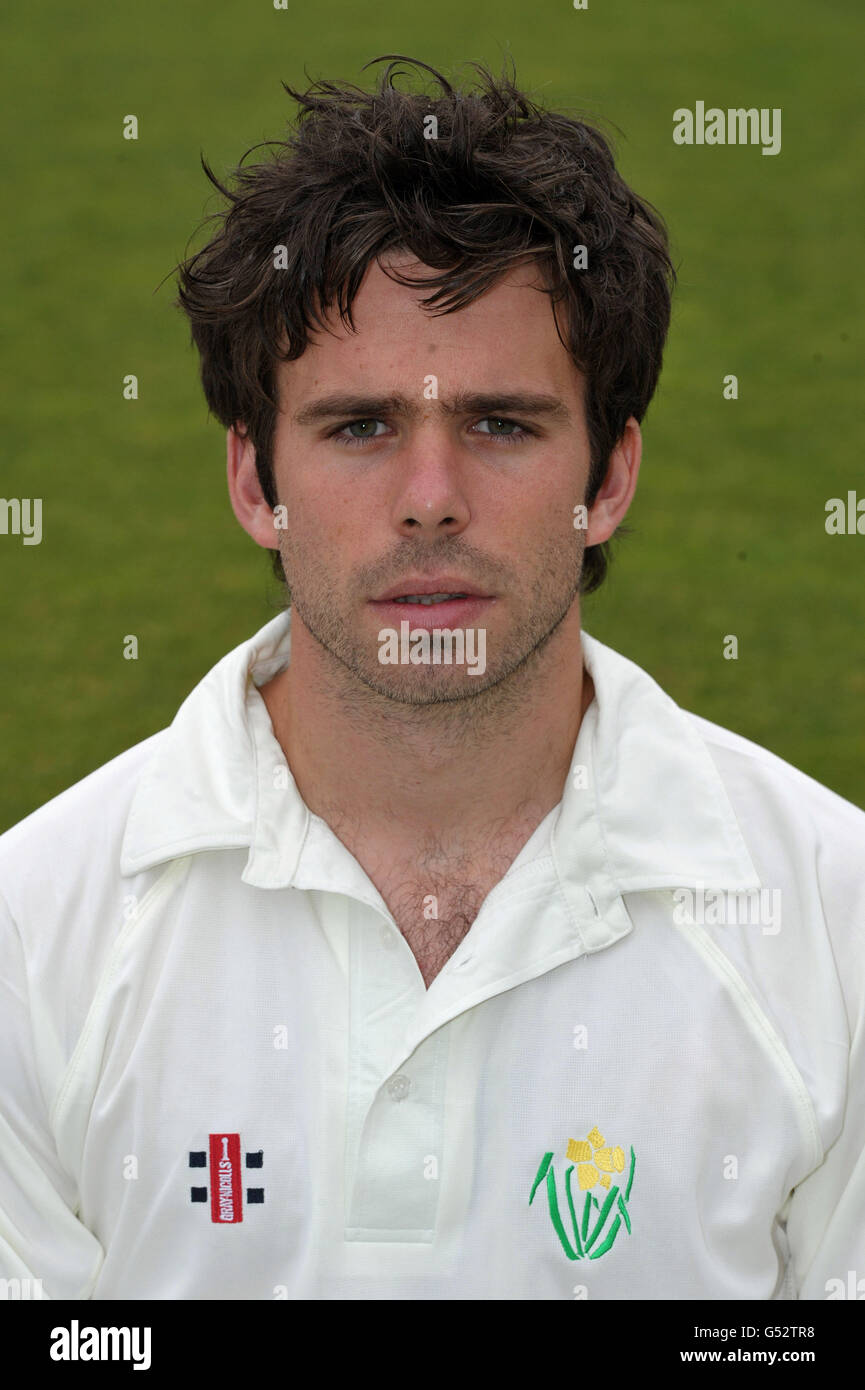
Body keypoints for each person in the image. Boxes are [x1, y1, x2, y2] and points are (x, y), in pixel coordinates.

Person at [0, 56, 862, 1302]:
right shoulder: (33, 935)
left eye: (501, 423)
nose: (430, 502)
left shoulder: (831, 928)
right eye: (358, 428)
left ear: (609, 478)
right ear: (254, 483)